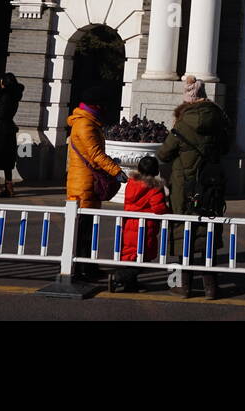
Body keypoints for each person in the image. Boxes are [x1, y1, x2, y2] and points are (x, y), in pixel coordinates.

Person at [157, 81, 229, 299]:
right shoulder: (220, 119)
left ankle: (182, 286)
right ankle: (211, 288)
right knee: (208, 230)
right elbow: (227, 146)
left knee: (182, 232)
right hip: (211, 185)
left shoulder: (182, 124)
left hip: (184, 186)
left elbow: (163, 154)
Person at [65, 85, 128, 283]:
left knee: (88, 231)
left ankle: (88, 268)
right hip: (82, 187)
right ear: (96, 105)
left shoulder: (89, 121)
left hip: (87, 184)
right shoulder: (85, 124)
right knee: (83, 232)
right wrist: (116, 171)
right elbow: (95, 154)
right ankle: (79, 271)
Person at [112, 154, 168, 293]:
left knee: (131, 256)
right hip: (145, 226)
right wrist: (168, 208)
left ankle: (131, 285)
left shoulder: (132, 183)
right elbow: (158, 208)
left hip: (129, 224)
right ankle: (119, 277)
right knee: (142, 258)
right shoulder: (154, 187)